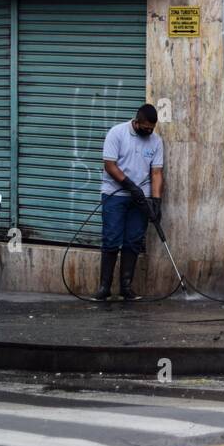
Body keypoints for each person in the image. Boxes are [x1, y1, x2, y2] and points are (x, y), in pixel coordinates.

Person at [95, 104, 164, 301]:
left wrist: (156, 200)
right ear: (137, 121)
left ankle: (126, 287)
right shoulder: (117, 133)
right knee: (111, 238)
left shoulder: (156, 141)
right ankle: (104, 287)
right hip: (115, 195)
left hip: (141, 200)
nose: (149, 131)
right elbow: (109, 165)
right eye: (146, 127)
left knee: (133, 240)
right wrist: (130, 186)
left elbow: (157, 172)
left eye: (152, 128)